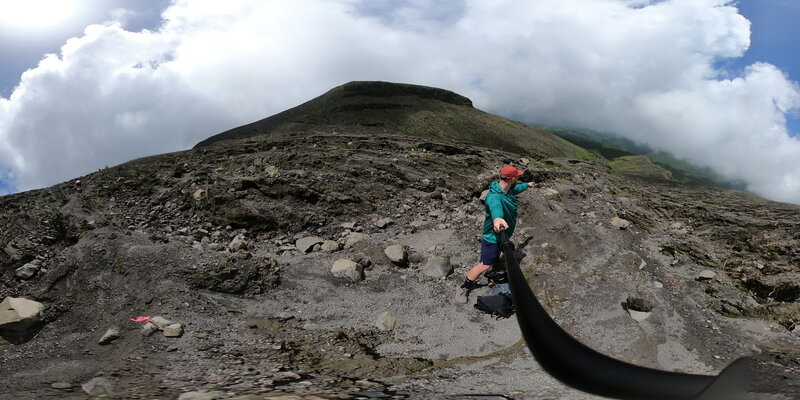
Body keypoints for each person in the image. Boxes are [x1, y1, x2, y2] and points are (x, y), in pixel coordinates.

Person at [455, 165, 535, 304]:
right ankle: (463, 287)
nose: (518, 178)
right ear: (511, 178)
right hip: (492, 237)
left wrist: (527, 185)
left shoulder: (507, 190)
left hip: (502, 235)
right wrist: (497, 218)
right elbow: (495, 207)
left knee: (494, 259)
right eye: (517, 176)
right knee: (484, 265)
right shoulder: (494, 197)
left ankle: (492, 270)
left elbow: (517, 189)